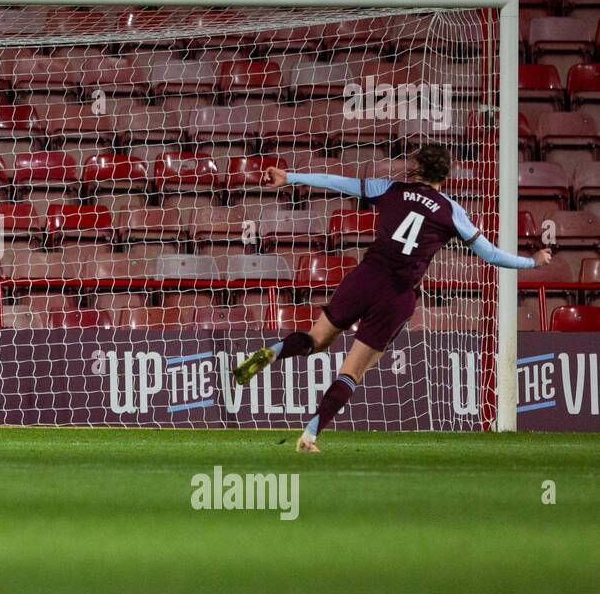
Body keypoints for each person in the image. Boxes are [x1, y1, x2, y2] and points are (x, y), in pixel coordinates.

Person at [231, 143, 550, 452]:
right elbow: (490, 254)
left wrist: (292, 177)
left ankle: (272, 352)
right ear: (445, 175)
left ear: (416, 168)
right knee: (352, 370)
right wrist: (532, 262)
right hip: (396, 295)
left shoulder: (388, 189)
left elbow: (335, 182)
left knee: (316, 338)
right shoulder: (451, 210)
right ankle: (310, 435)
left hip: (364, 278)